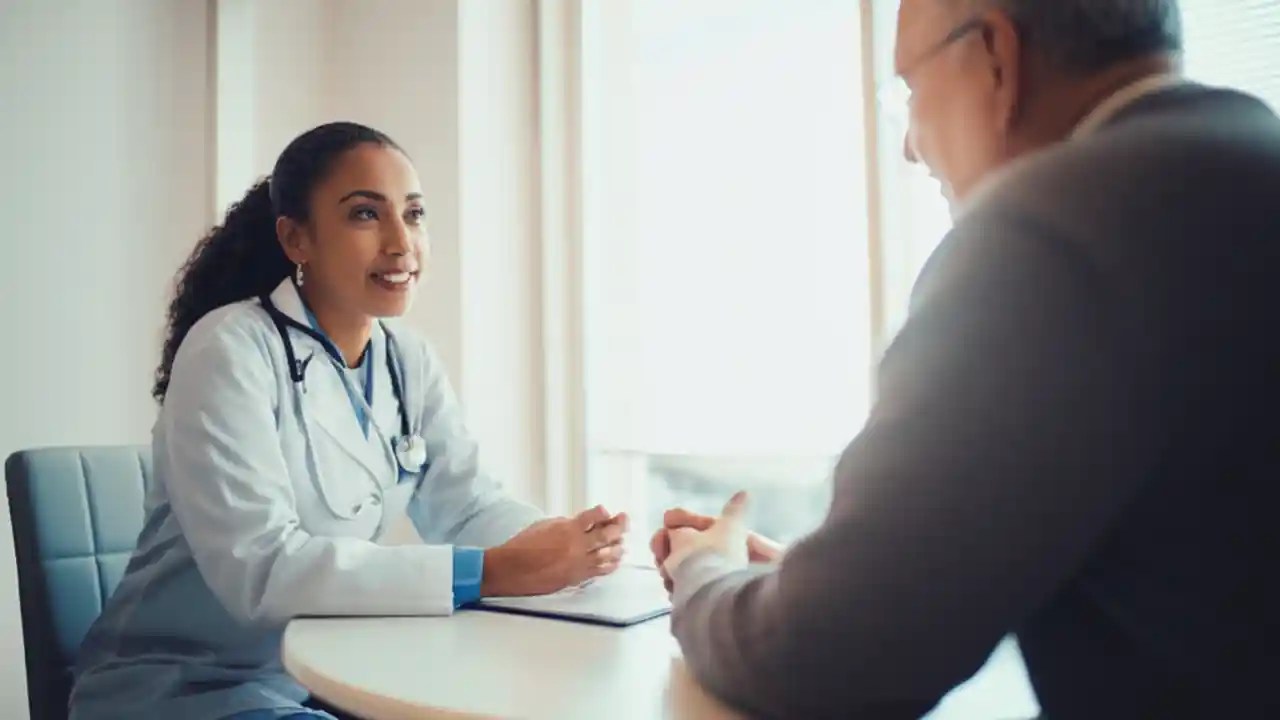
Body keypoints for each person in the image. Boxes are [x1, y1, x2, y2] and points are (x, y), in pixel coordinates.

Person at [651, 0, 1280, 717]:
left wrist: (705, 570)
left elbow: (821, 663)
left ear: (994, 57)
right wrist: (832, 578)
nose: (910, 147)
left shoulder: (1046, 232)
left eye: (909, 90)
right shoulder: (1245, 160)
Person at [69, 122, 628, 720]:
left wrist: (577, 544)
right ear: (296, 238)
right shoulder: (228, 349)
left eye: (413, 214)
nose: (401, 242)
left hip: (306, 680)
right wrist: (493, 571)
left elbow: (466, 506)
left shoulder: (406, 359)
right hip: (178, 687)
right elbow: (260, 569)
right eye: (365, 215)